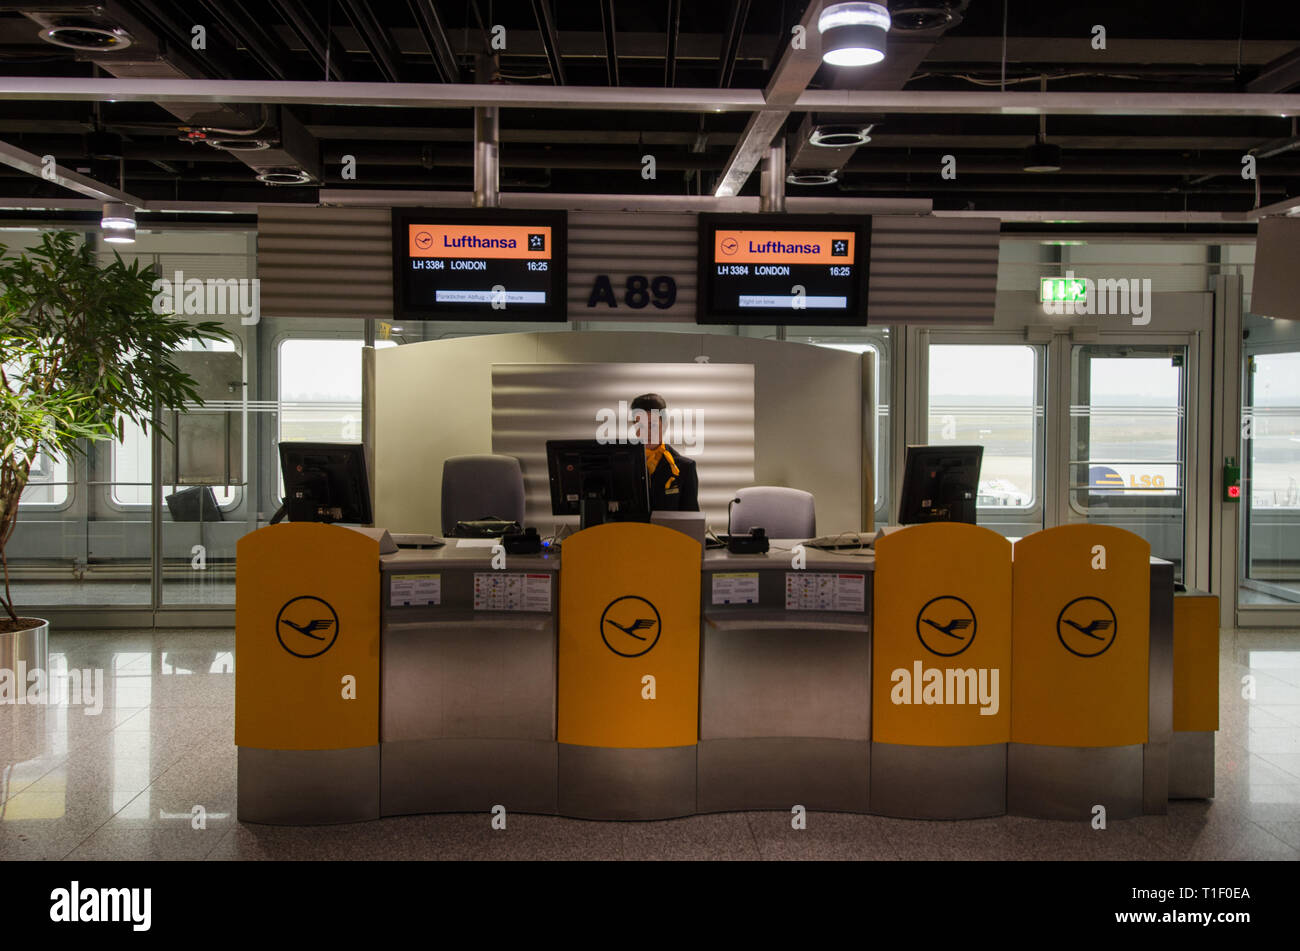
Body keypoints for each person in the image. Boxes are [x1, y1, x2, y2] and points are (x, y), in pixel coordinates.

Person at [630, 392, 698, 512]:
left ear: (664, 425)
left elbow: (691, 520)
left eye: (652, 425)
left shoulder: (685, 468)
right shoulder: (622, 465)